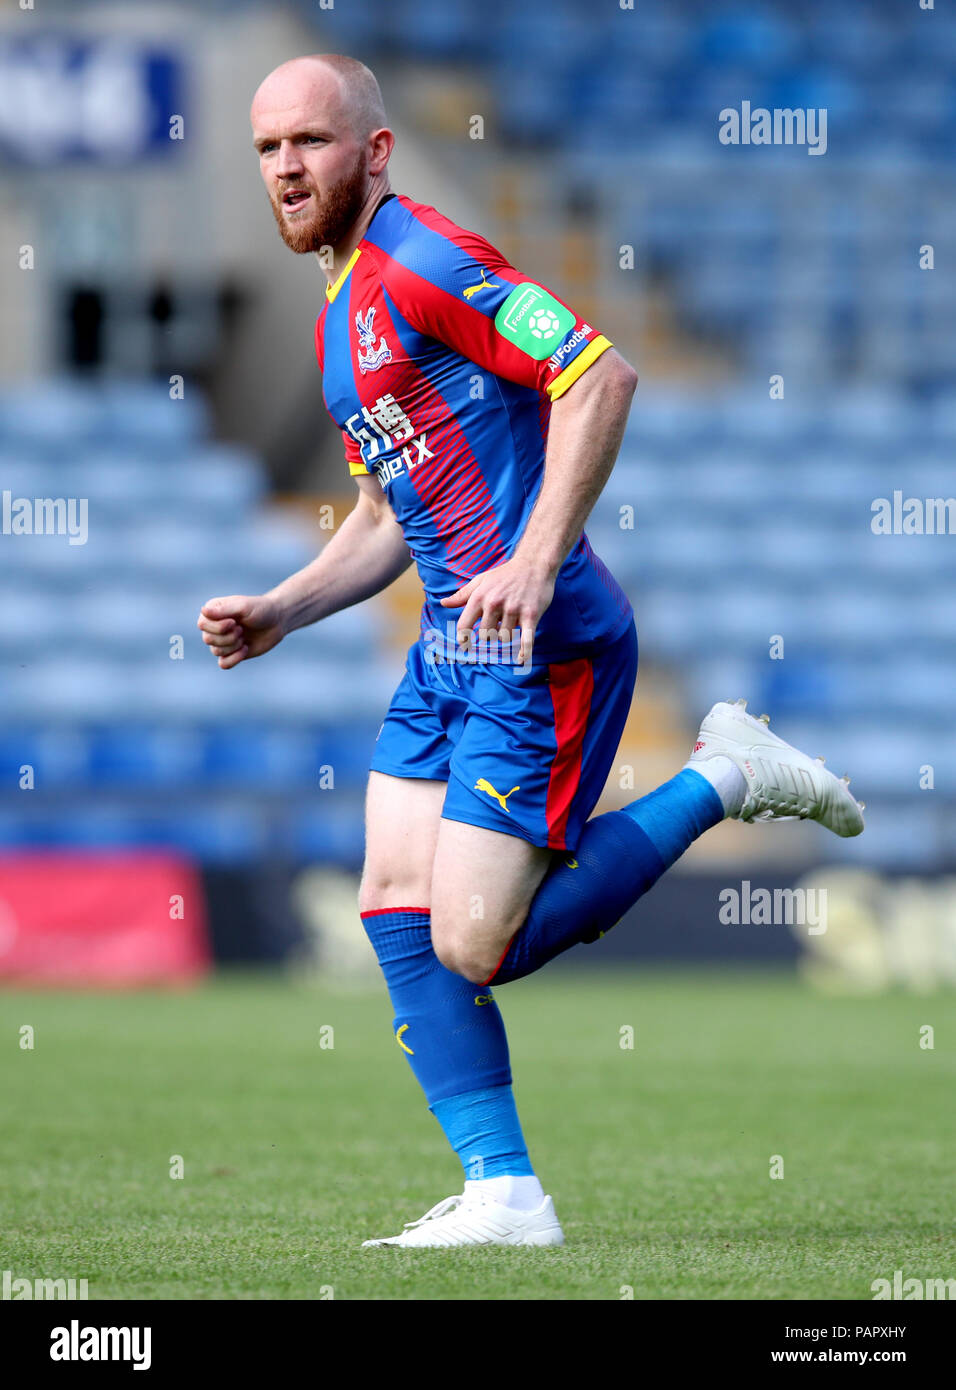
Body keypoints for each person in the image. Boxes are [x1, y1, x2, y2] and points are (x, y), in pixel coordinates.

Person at [198, 54, 863, 1249]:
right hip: (451, 645)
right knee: (393, 902)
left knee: (473, 940)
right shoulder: (341, 315)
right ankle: (503, 1190)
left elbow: (596, 376)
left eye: (308, 141)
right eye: (266, 149)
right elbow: (387, 519)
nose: (286, 167)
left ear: (375, 150)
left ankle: (724, 773)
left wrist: (536, 557)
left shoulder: (429, 261)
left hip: (536, 638)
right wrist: (283, 607)